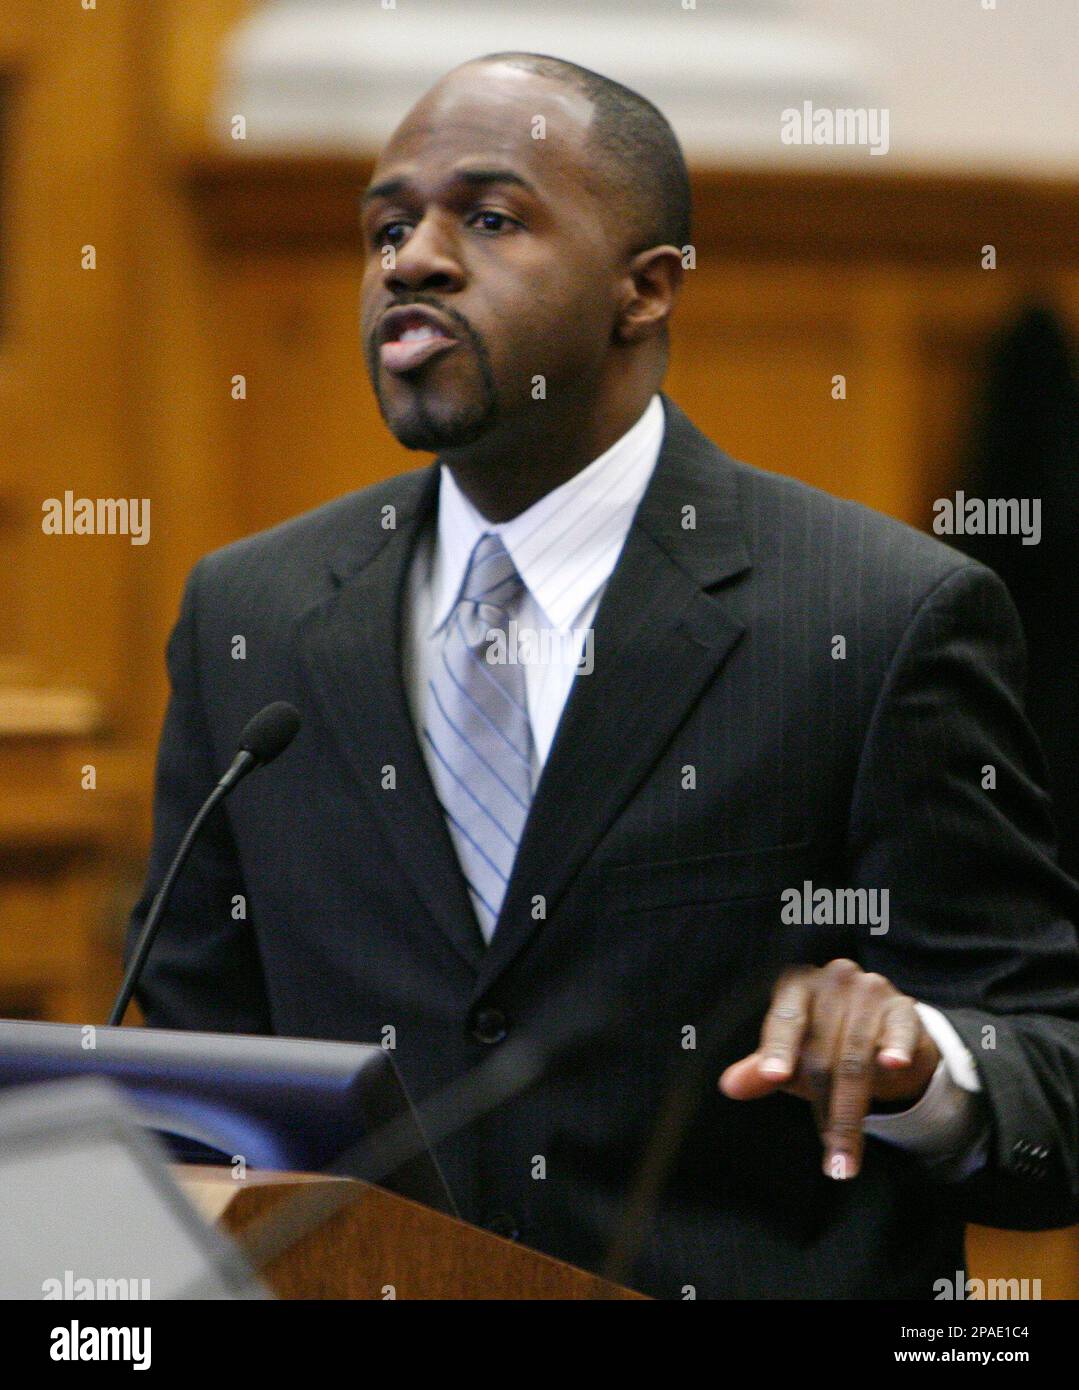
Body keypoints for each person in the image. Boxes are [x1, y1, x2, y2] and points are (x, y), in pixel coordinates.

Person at [128, 52, 1079, 1298]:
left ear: (646, 289)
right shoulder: (248, 616)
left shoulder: (878, 615)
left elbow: (1047, 1073)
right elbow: (197, 1082)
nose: (410, 259)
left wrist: (922, 1066)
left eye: (486, 216)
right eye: (386, 226)